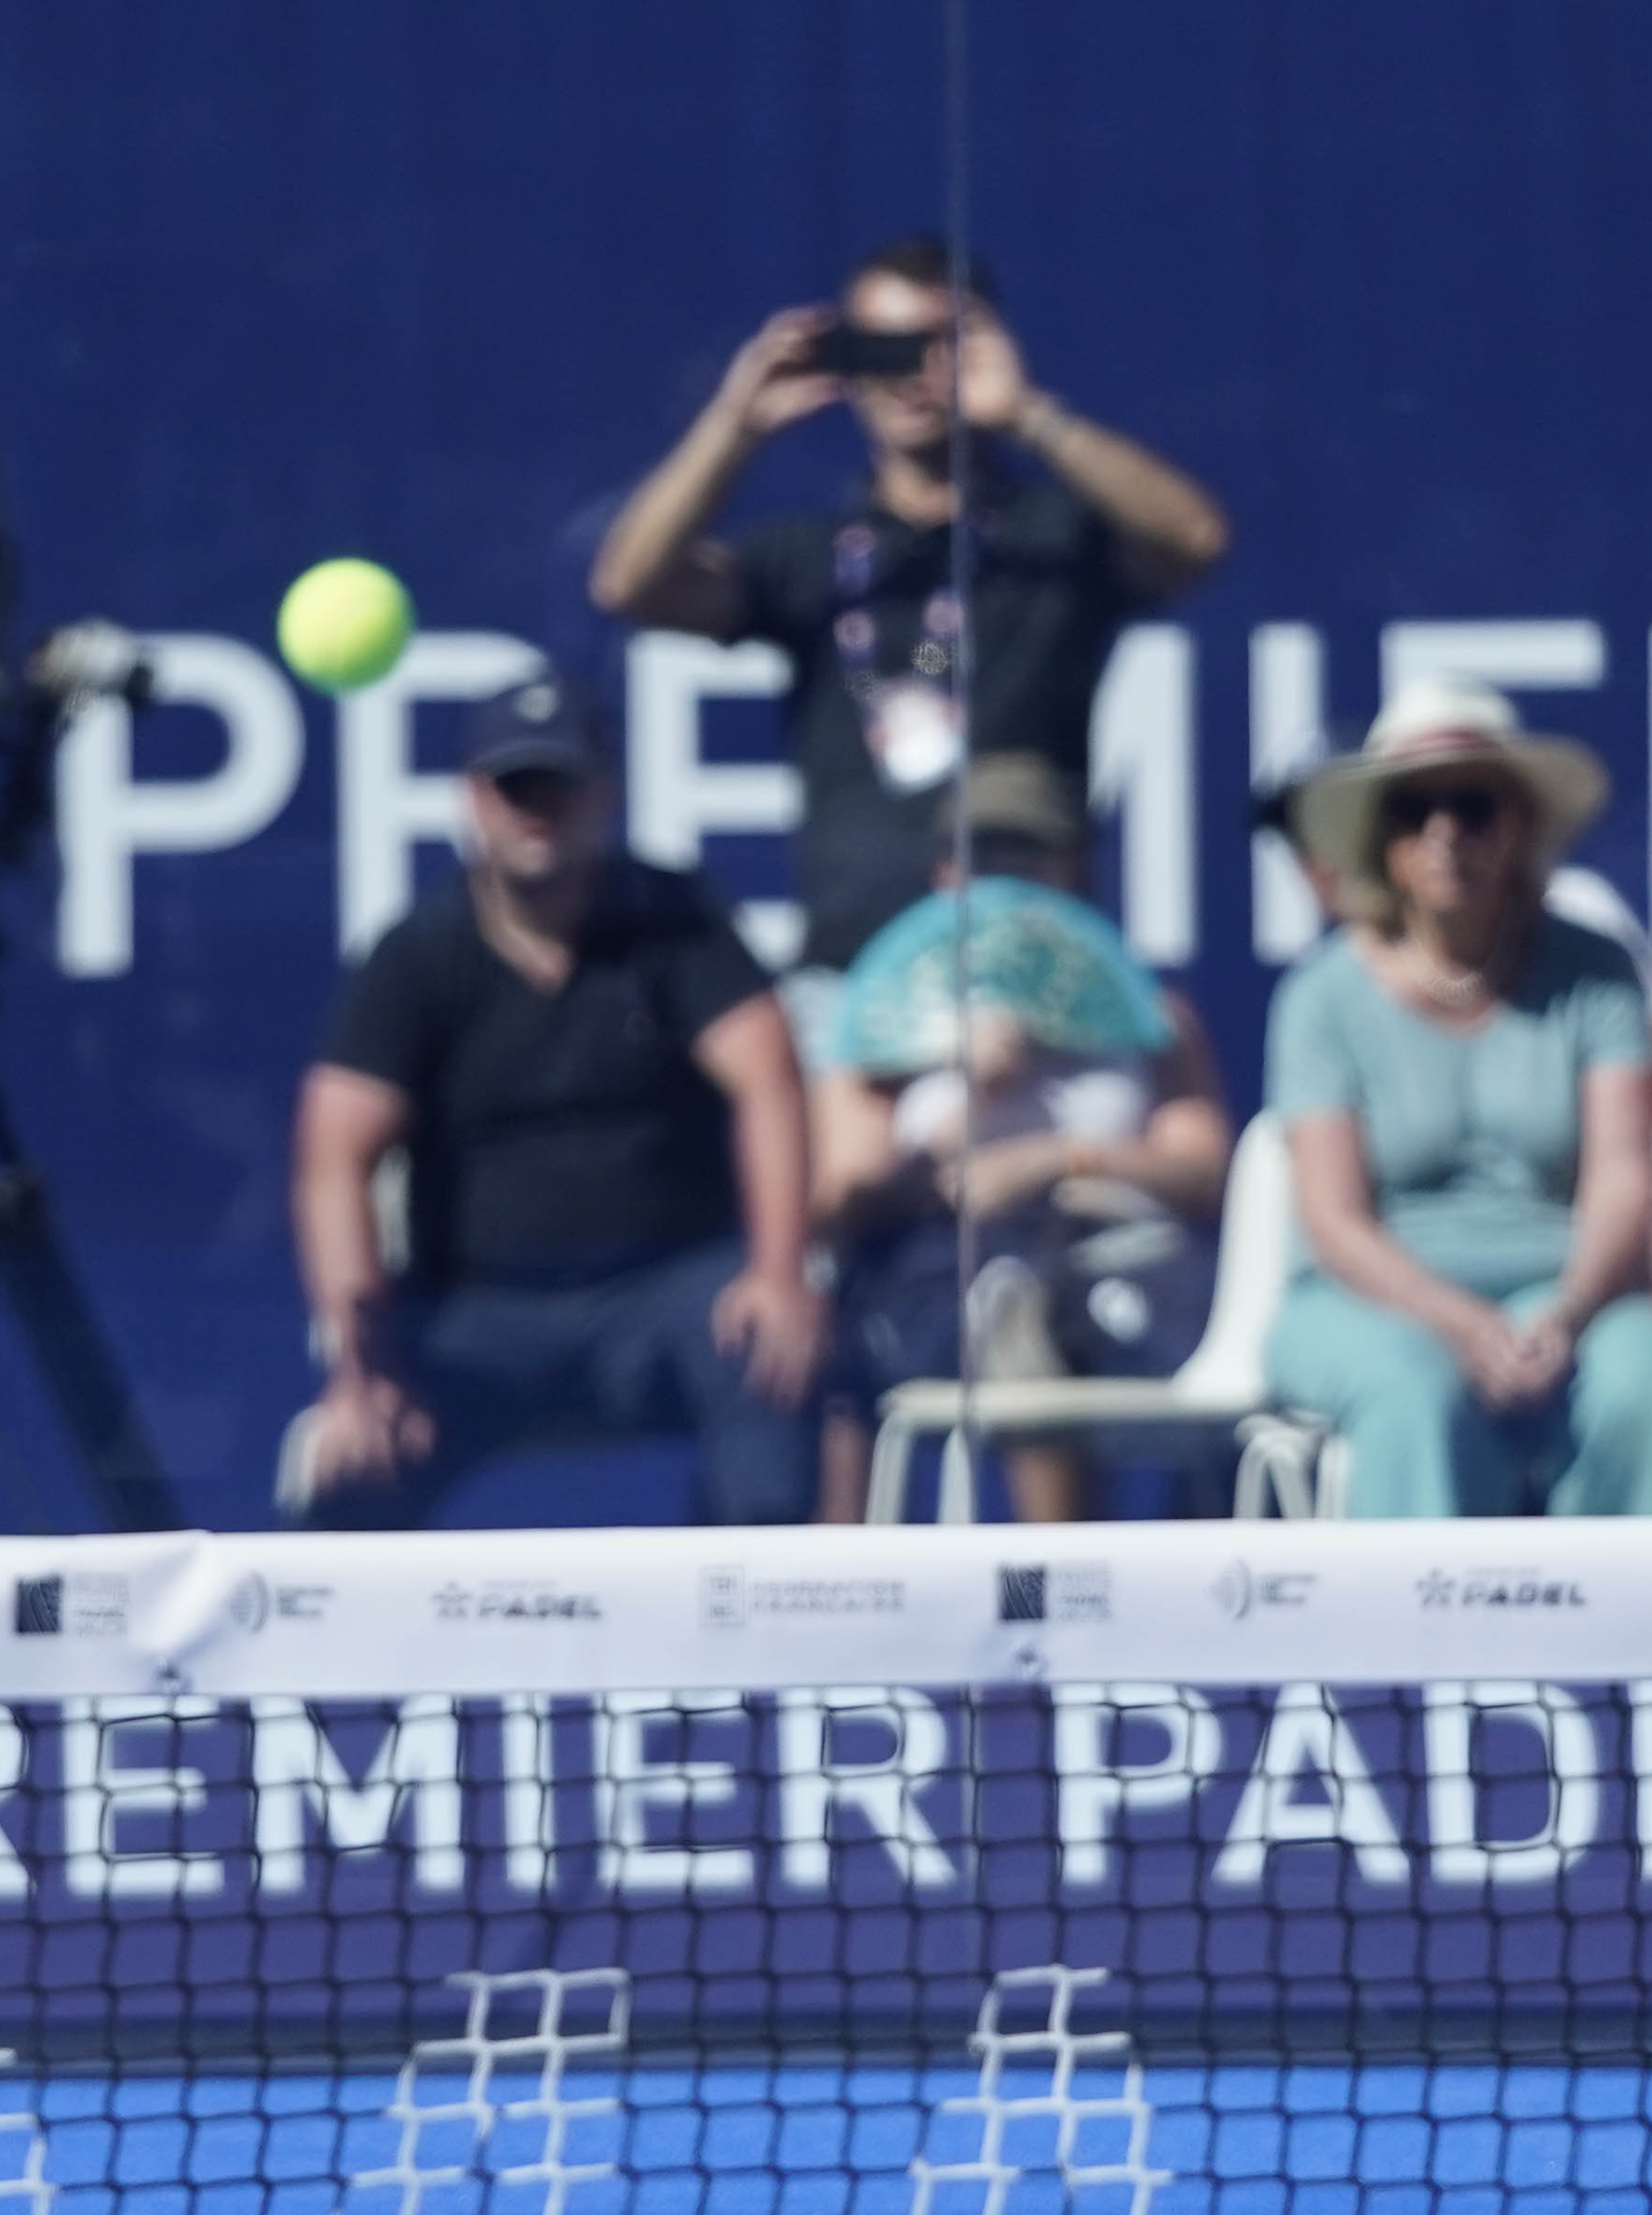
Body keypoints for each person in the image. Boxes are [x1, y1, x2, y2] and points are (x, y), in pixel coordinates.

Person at [585, 235, 1230, 974]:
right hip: (853, 968)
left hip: (1029, 953)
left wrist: (1028, 413)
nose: (908, 375)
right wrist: (737, 423)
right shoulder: (813, 556)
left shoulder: (1057, 537)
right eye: (880, 349)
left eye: (937, 344)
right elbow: (629, 584)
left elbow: (1196, 539)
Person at [291, 674, 823, 1528]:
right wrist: (361, 1372)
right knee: (354, 1462)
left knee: (772, 1356)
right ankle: (334, 1617)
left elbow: (769, 1079)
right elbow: (333, 1161)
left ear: (605, 797)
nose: (537, 812)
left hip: (664, 1293)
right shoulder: (415, 955)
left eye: (559, 787)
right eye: (515, 789)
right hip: (478, 1311)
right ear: (472, 800)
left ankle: (751, 1606)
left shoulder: (672, 918)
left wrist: (778, 1274)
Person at [1256, 678, 1652, 1519]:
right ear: (1381, 840)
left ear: (1519, 824)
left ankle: (1618, 1611)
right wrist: (1461, 1325)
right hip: (1364, 1306)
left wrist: (1566, 1315)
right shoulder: (1319, 998)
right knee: (1414, 1390)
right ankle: (1423, 1614)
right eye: (1413, 810)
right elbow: (1336, 1224)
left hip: (1563, 1296)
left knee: (1647, 1369)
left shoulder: (1599, 973)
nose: (1444, 833)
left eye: (1472, 807)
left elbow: (1623, 1179)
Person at [809, 764, 1231, 1523]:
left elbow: (1203, 1174)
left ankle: (1187, 1572)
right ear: (944, 873)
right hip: (942, 1263)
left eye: (1028, 859)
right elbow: (840, 1202)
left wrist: (1058, 1159)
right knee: (1003, 1311)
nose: (1005, 882)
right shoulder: (881, 1026)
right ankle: (1043, 1579)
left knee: (1164, 1330)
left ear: (1071, 868)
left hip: (1116, 1252)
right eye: (984, 860)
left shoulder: (1152, 1016)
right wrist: (963, 1089)